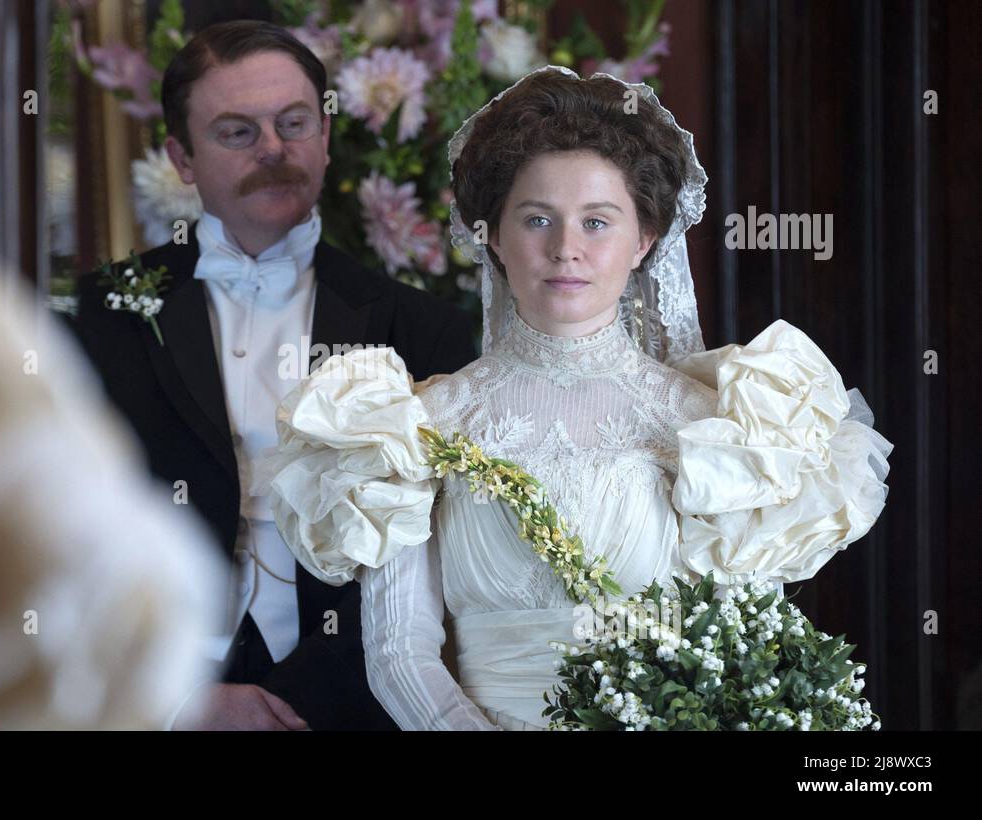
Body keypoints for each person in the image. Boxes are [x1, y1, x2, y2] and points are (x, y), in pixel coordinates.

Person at [264, 66, 893, 730]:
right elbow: (399, 651)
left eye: (597, 222)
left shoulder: (723, 428)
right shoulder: (406, 431)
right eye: (538, 219)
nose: (566, 249)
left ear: (643, 240)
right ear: (495, 237)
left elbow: (742, 653)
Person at [71, 20, 477, 730]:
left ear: (324, 134)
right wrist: (170, 700)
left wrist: (306, 699)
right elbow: (61, 529)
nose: (273, 150)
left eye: (293, 123)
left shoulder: (421, 328)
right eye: (236, 132)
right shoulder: (96, 321)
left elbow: (447, 551)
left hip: (353, 700)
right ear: (182, 156)